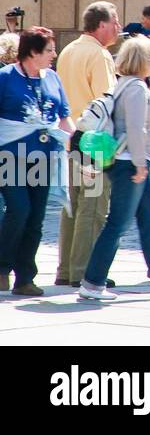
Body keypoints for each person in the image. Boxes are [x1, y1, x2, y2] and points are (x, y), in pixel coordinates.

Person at [79, 36, 150, 302]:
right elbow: (136, 129)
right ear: (142, 60)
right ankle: (92, 283)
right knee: (117, 223)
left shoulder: (123, 84)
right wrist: (140, 164)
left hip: (132, 161)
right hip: (132, 162)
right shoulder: (137, 88)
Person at [0, 28, 73, 296]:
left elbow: (64, 118)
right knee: (19, 209)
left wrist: (79, 144)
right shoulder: (5, 78)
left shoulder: (53, 78)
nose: (54, 55)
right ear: (33, 52)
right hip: (11, 157)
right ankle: (1, 267)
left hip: (45, 159)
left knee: (36, 218)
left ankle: (25, 278)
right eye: (50, 50)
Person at [55, 1, 120, 288]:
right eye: (115, 22)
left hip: (69, 136)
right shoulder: (99, 54)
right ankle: (84, 271)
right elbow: (107, 101)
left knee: (72, 206)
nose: (118, 27)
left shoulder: (69, 50)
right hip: (93, 140)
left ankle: (66, 269)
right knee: (92, 208)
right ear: (102, 24)